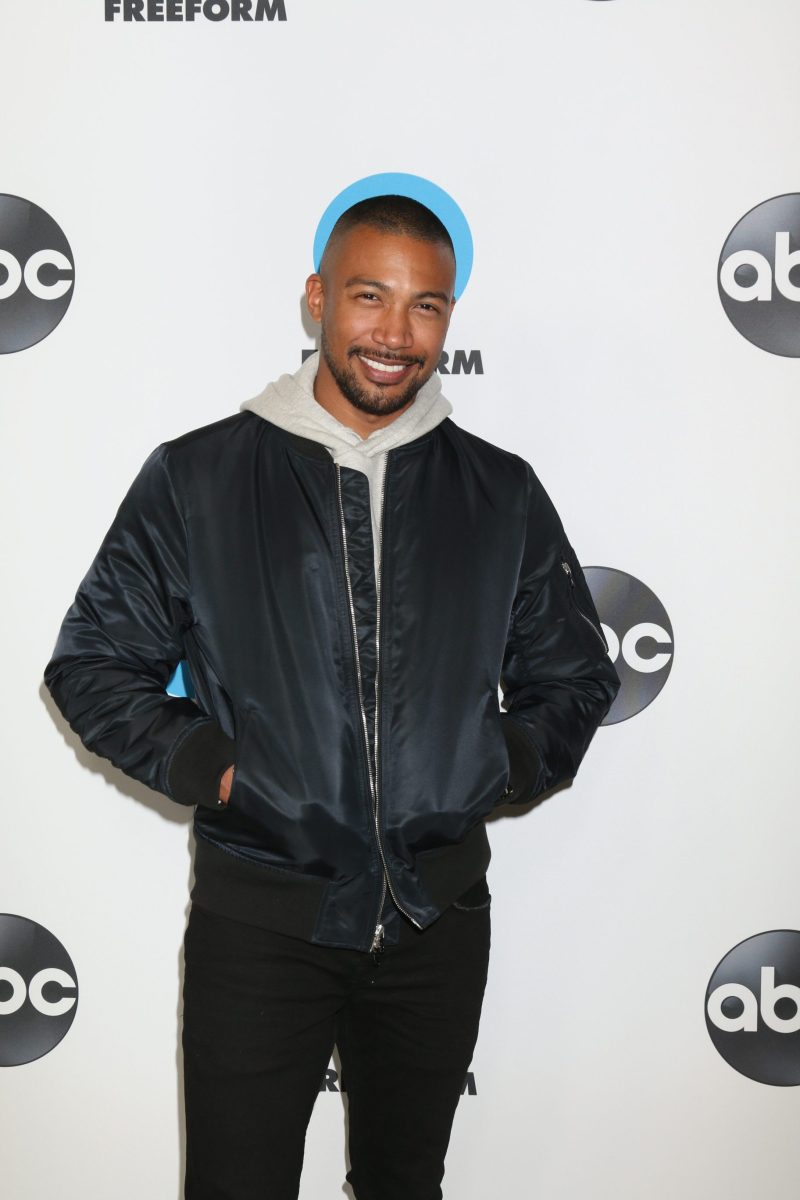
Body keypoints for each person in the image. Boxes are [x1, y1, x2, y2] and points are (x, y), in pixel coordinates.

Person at [44, 194, 619, 1200]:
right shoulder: (199, 478)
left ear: (448, 318)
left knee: (405, 1187)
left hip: (438, 920)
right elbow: (93, 664)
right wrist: (217, 767)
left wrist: (496, 762)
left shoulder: (499, 491)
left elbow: (573, 674)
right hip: (262, 918)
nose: (395, 333)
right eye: (368, 296)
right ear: (317, 300)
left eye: (425, 305)